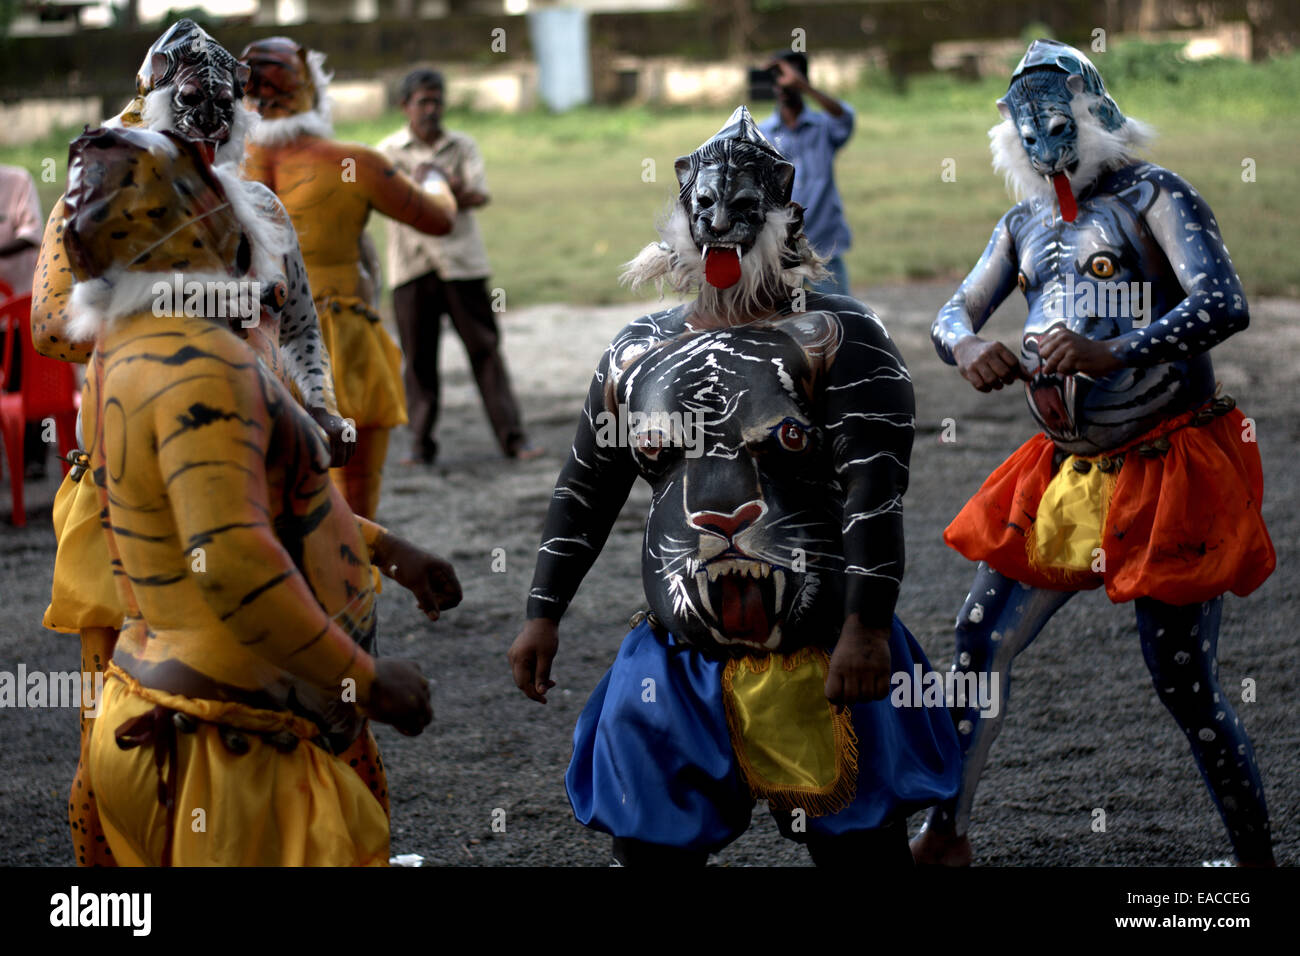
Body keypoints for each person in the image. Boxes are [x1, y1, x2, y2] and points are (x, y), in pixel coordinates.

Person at [508, 108, 958, 866]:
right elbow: (587, 486)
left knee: (858, 856)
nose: (721, 225)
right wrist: (542, 613)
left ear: (784, 221)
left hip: (824, 653)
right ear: (680, 222)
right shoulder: (635, 350)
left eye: (744, 210)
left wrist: (867, 629)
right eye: (705, 210)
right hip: (676, 659)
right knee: (648, 850)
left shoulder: (845, 336)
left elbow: (873, 493)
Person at [913, 40, 1276, 867]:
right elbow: (951, 314)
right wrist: (967, 348)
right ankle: (945, 835)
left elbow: (1224, 302)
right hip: (1065, 475)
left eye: (1057, 116)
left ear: (1093, 112)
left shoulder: (1155, 194)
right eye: (1027, 122)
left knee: (1183, 681)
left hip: (1167, 467)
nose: (1044, 135)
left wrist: (1122, 351)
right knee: (978, 644)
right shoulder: (1023, 224)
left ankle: (1255, 867)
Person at [62, 125, 435, 865]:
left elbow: (231, 507)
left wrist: (386, 548)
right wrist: (366, 681)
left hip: (166, 723)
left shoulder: (129, 345)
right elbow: (229, 557)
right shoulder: (198, 365)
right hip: (227, 761)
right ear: (195, 213)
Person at [240, 40, 458, 517]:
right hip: (340, 343)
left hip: (248, 346)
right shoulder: (353, 162)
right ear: (311, 88)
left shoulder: (216, 171)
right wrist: (436, 179)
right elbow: (440, 220)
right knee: (351, 513)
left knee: (267, 509)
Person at [378, 68, 539, 466]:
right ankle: (419, 445)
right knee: (418, 360)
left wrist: (447, 184)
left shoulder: (461, 146)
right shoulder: (386, 152)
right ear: (405, 106)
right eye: (423, 102)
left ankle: (513, 440)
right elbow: (383, 200)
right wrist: (419, 188)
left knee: (485, 350)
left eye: (437, 101)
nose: (431, 109)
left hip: (462, 264)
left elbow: (478, 195)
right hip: (411, 267)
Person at [757, 51, 854, 296]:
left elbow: (846, 118)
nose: (781, 84)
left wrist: (805, 88)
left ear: (802, 80)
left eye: (788, 78)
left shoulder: (823, 126)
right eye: (776, 77)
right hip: (778, 249)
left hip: (824, 243)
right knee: (780, 324)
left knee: (839, 319)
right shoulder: (763, 134)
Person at [0, 164, 50, 478]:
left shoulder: (17, 180)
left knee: (28, 386)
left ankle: (34, 461)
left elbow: (31, 235)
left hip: (21, 304)